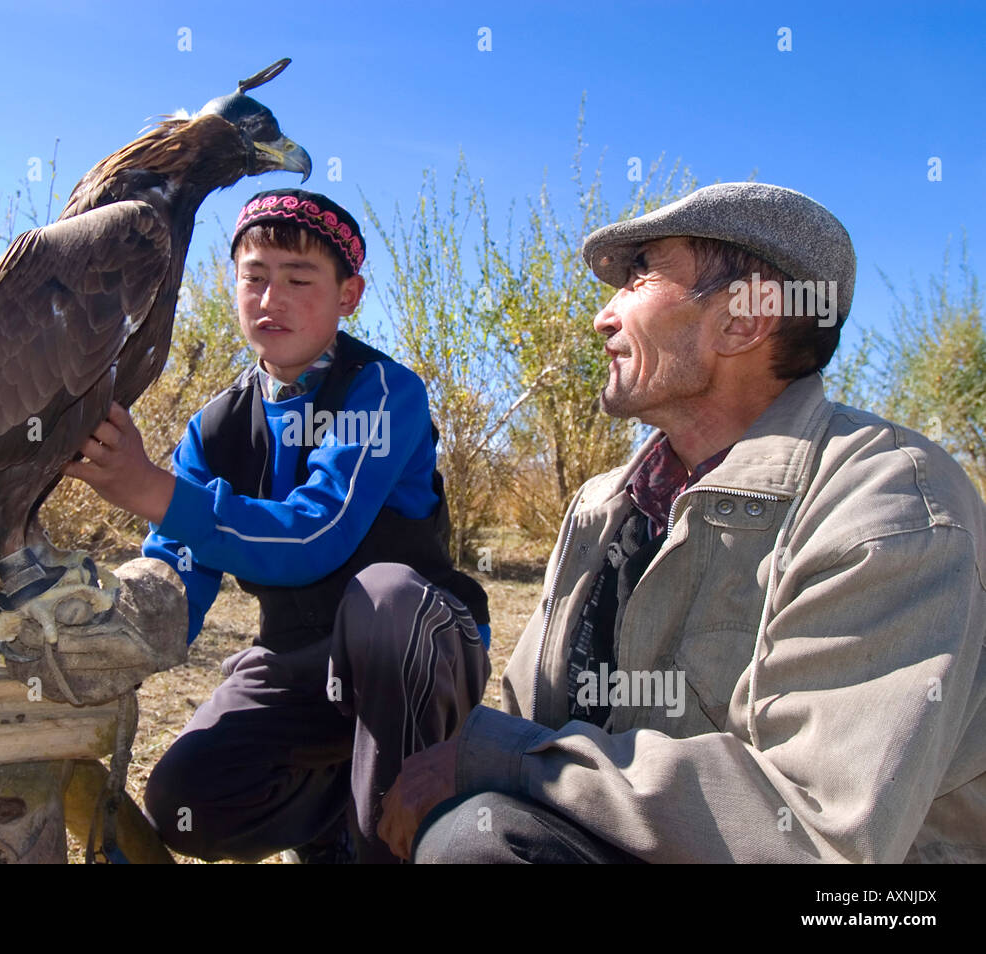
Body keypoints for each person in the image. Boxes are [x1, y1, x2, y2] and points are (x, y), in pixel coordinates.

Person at [381, 182, 986, 864]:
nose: (602, 318)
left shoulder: (890, 502)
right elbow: (534, 716)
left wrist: (507, 759)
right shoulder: (604, 505)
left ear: (744, 320)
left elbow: (819, 832)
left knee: (477, 843)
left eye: (639, 275)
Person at [63, 188, 490, 863]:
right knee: (187, 801)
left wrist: (148, 488)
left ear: (349, 295)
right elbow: (174, 580)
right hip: (301, 662)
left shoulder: (382, 391)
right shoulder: (212, 428)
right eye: (254, 278)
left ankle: (408, 825)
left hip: (419, 655)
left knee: (385, 599)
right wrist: (99, 629)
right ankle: (339, 823)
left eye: (299, 280)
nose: (271, 299)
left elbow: (314, 536)